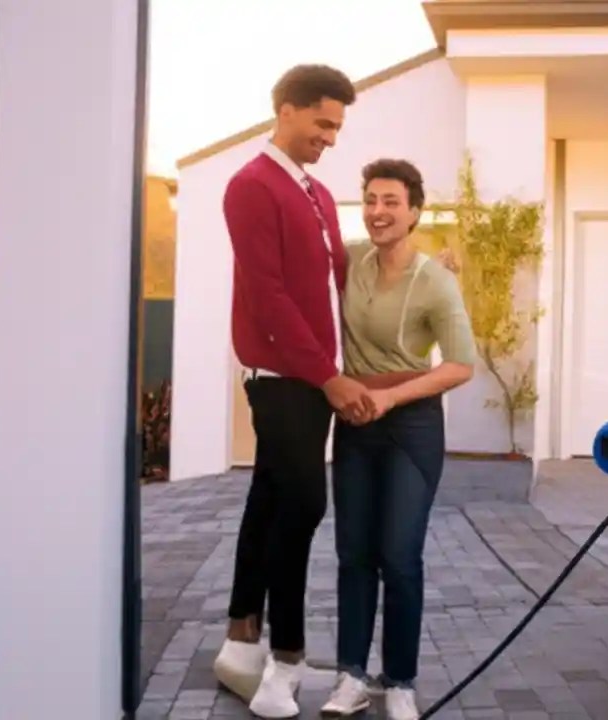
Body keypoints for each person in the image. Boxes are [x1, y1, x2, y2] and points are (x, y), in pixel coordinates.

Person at [211, 63, 373, 719]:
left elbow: (335, 271)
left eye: (337, 126)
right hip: (283, 379)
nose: (330, 137)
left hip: (313, 377)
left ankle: (240, 640)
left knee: (270, 498)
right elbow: (269, 296)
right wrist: (330, 377)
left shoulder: (319, 194)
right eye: (322, 122)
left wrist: (409, 257)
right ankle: (288, 659)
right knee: (303, 505)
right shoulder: (250, 187)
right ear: (285, 110)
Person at [319, 159, 476, 720]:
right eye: (371, 200)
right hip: (357, 423)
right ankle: (351, 678)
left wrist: (391, 396)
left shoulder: (434, 279)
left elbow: (461, 365)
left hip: (410, 426)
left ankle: (400, 681)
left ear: (413, 212)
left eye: (391, 202)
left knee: (400, 556)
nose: (378, 211)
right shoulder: (351, 259)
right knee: (353, 554)